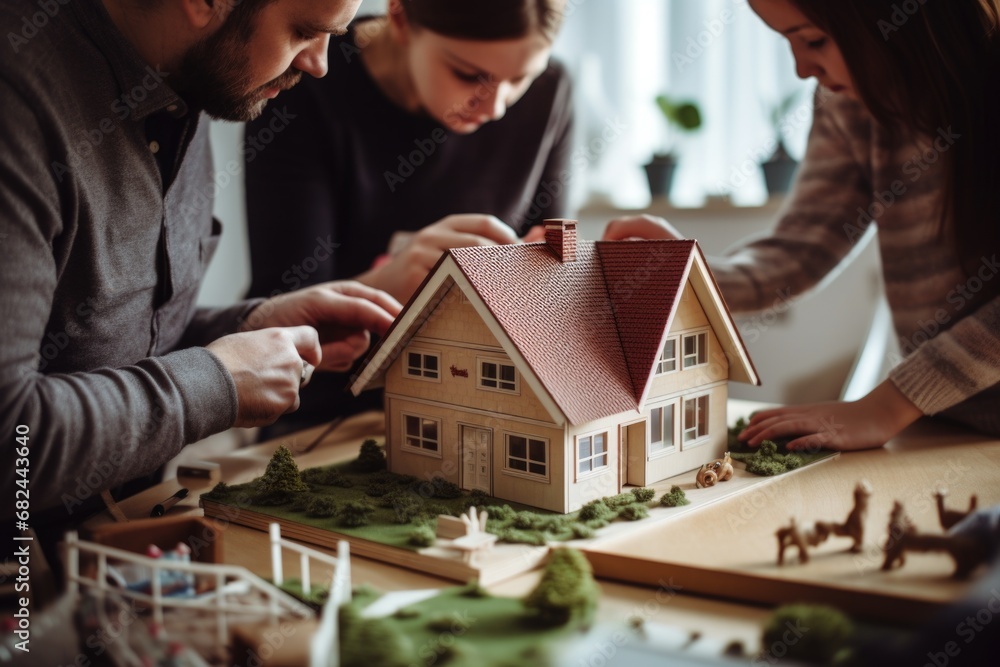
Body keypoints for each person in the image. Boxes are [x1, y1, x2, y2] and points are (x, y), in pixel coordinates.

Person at [0, 0, 402, 533]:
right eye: (304, 31)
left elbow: (100, 347)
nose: (320, 64)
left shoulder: (187, 76)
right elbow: (12, 446)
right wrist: (215, 385)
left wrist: (245, 328)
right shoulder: (18, 104)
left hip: (127, 552)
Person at [604, 0, 1000, 451]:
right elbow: (801, 249)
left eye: (813, 40)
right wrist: (691, 273)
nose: (801, 68)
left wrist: (889, 405)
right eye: (787, 41)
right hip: (945, 424)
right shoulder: (847, 99)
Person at [244, 0, 574, 431]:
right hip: (324, 417)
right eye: (469, 75)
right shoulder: (307, 77)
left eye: (520, 78)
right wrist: (385, 283)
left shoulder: (551, 89)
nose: (496, 107)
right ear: (399, 18)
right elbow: (270, 317)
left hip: (484, 409)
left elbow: (548, 264)